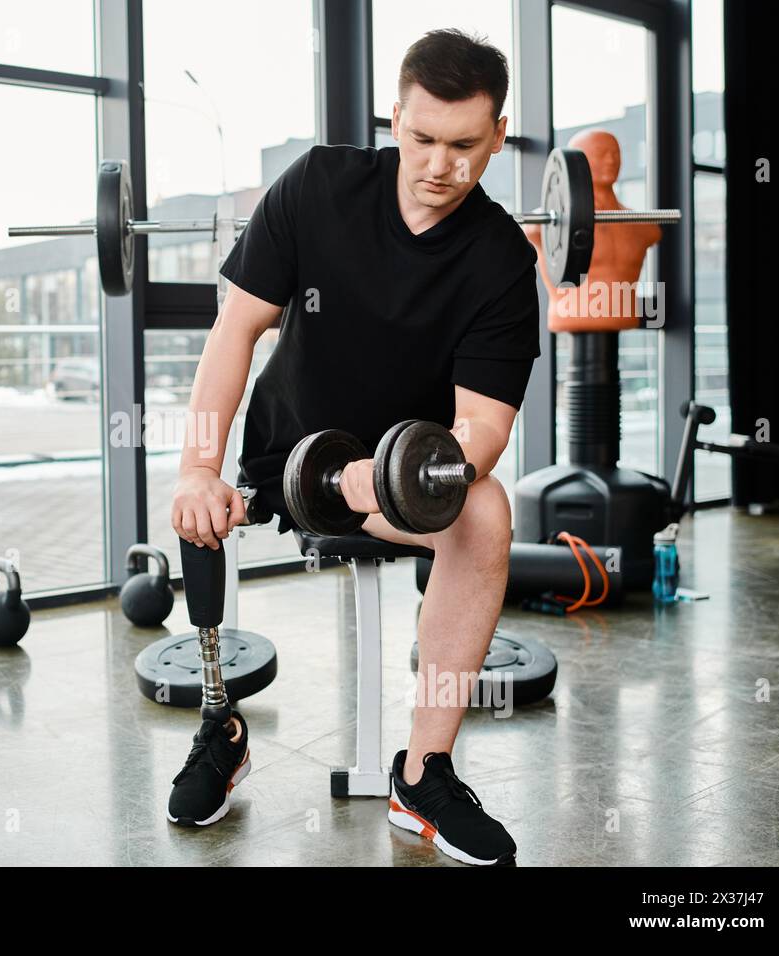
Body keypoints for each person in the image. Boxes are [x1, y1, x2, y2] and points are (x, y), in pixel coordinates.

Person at [167, 29, 539, 867]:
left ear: (500, 136)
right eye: (423, 139)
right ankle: (220, 726)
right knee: (197, 506)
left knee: (485, 513)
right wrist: (198, 465)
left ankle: (424, 772)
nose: (441, 164)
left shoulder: (501, 260)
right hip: (286, 458)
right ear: (394, 118)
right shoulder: (317, 186)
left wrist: (401, 484)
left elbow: (482, 428)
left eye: (465, 146)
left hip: (403, 479)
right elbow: (236, 331)